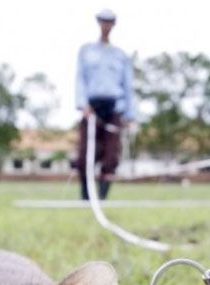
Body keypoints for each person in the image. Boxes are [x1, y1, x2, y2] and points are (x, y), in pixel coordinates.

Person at [75, 8, 135, 200]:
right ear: (98, 22)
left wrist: (129, 115)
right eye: (103, 20)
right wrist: (82, 104)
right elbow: (80, 79)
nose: (106, 24)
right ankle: (86, 198)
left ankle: (101, 198)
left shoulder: (120, 55)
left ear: (113, 24)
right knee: (86, 154)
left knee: (111, 156)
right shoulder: (86, 51)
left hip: (114, 109)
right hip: (91, 109)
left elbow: (127, 85)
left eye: (109, 21)